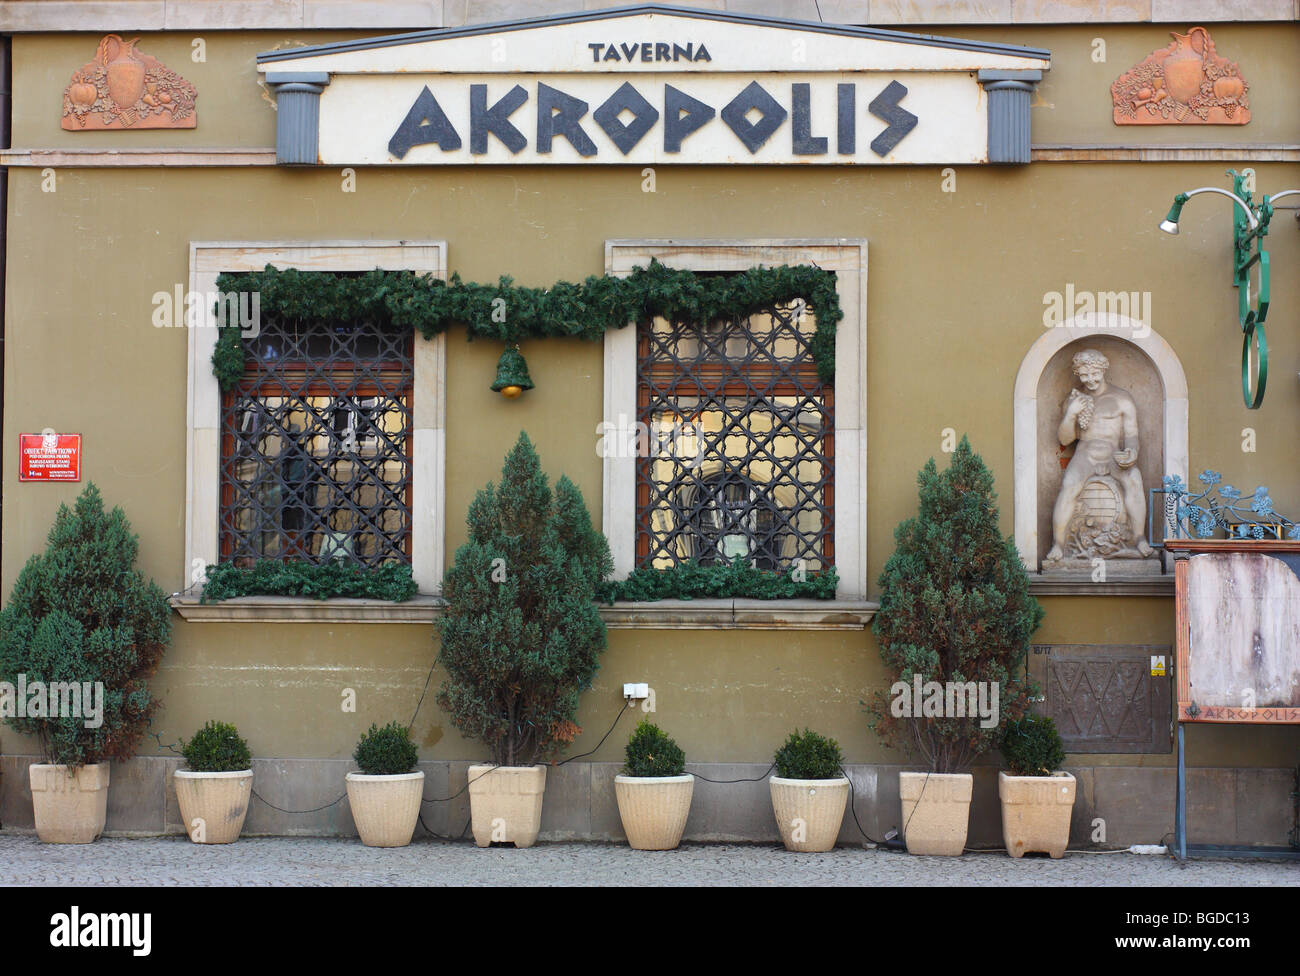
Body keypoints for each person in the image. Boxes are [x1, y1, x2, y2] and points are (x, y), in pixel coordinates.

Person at [1045, 348, 1154, 562]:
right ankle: (1057, 543)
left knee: (1134, 480)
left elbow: (1132, 435)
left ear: (1103, 370)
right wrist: (1071, 413)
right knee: (1069, 484)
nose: (1090, 380)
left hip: (1113, 454)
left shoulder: (1122, 399)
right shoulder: (1075, 399)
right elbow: (1065, 439)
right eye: (1084, 375)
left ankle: (1140, 537)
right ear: (1078, 374)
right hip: (1085, 454)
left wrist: (1132, 452)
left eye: (1094, 374)